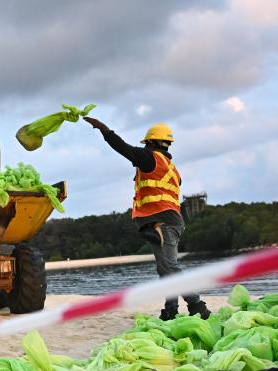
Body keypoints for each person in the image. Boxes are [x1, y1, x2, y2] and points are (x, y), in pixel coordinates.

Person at [83, 117, 211, 320]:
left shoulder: (150, 159)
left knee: (169, 267)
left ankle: (197, 306)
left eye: (147, 144)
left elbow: (123, 148)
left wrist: (104, 129)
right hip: (169, 220)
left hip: (165, 221)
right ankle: (170, 311)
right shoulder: (170, 167)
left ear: (151, 142)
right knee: (165, 268)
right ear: (166, 143)